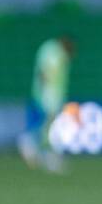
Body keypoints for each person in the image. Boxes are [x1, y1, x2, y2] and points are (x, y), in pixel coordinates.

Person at [18, 34, 75, 173]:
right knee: (47, 127)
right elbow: (44, 73)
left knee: (46, 127)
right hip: (48, 96)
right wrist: (44, 94)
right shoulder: (54, 52)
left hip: (50, 95)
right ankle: (42, 154)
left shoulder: (50, 50)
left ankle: (37, 152)